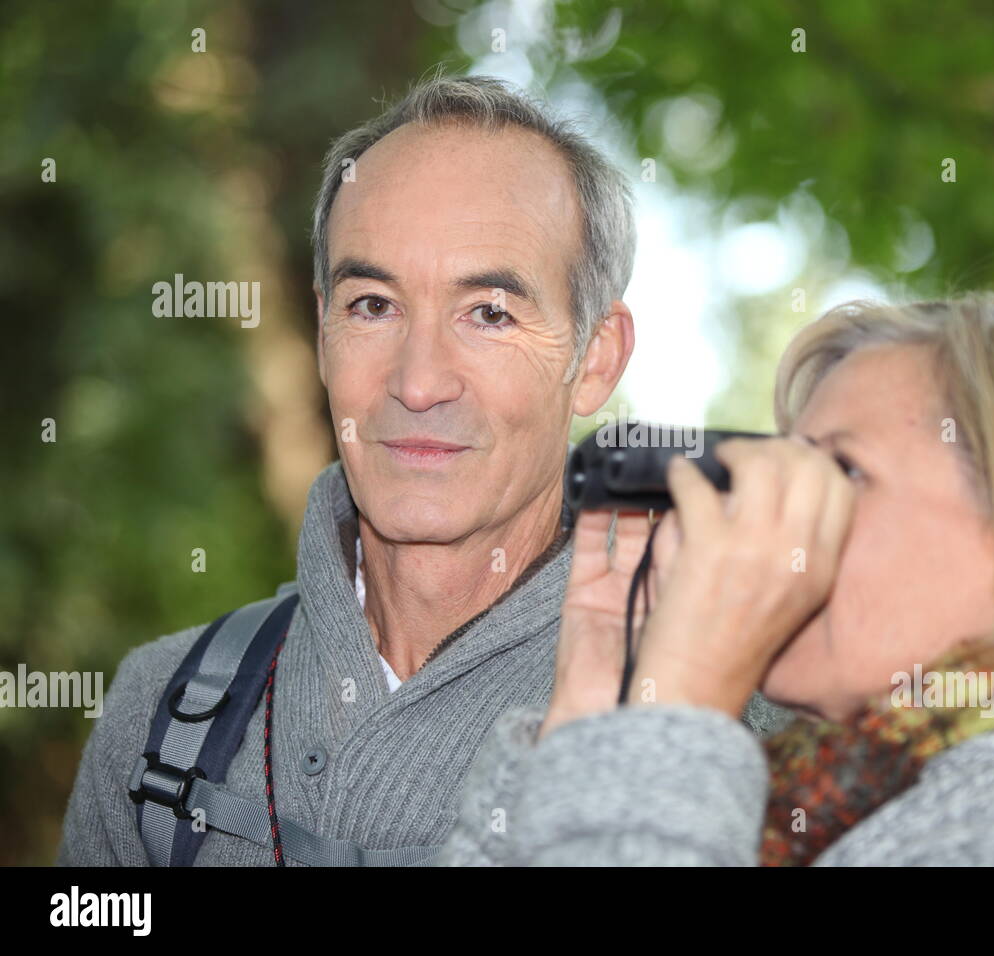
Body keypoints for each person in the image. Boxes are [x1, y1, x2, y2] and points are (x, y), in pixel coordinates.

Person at [56, 72, 788, 867]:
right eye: (373, 304)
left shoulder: (730, 725)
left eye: (489, 314)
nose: (418, 382)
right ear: (323, 331)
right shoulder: (162, 714)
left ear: (595, 358)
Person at [433, 293, 994, 866]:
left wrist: (676, 720)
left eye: (838, 473)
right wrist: (587, 721)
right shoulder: (817, 810)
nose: (781, 515)